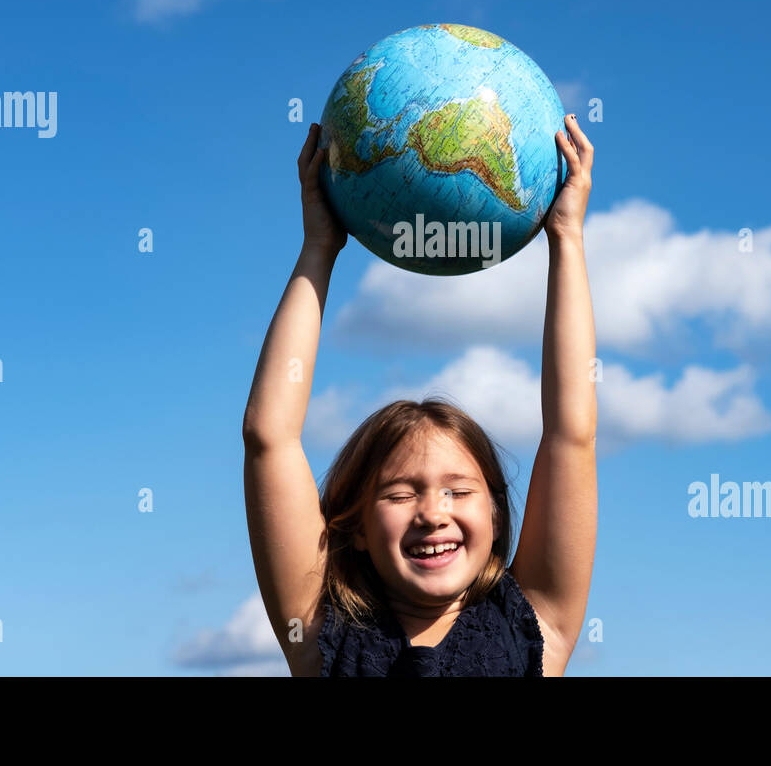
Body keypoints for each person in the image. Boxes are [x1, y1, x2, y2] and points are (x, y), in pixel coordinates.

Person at [242, 114, 597, 676]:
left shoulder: (535, 630)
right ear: (355, 527)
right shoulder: (321, 635)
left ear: (498, 517)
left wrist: (568, 240)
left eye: (459, 491)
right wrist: (318, 248)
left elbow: (571, 434)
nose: (434, 513)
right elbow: (269, 438)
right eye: (399, 495)